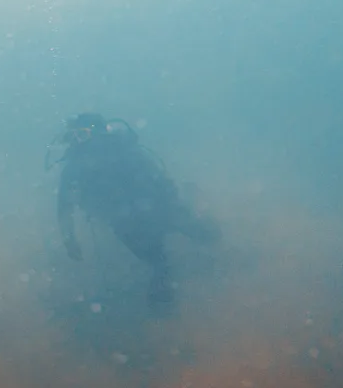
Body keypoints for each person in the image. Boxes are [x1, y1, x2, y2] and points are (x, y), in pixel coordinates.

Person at [50, 112, 221, 310]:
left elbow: (160, 180)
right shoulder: (76, 166)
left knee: (201, 233)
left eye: (83, 135)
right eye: (74, 137)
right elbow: (64, 205)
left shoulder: (125, 151)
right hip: (125, 221)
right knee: (158, 259)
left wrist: (172, 204)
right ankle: (164, 297)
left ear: (100, 133)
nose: (78, 142)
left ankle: (214, 245)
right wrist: (69, 239)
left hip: (157, 207)